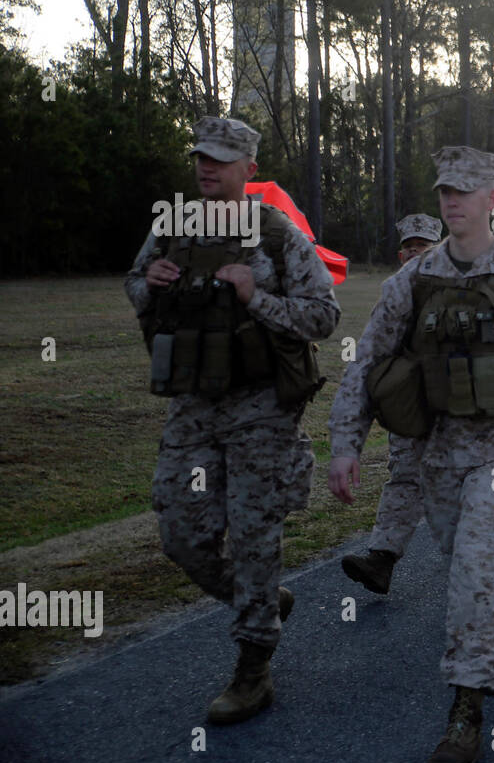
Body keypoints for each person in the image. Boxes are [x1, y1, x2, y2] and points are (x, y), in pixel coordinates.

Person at [327, 145, 494, 763]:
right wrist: (346, 444)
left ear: (491, 201)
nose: (452, 200)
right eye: (445, 189)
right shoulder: (414, 279)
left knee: (475, 558)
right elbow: (366, 364)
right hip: (436, 453)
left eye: (465, 191)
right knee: (462, 559)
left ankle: (465, 710)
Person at [125, 116, 340, 724]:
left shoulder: (276, 235)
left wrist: (256, 297)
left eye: (221, 158)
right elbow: (132, 285)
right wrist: (153, 283)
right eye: (201, 156)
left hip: (261, 410)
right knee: (180, 534)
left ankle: (253, 668)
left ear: (249, 168)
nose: (206, 167)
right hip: (193, 405)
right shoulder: (171, 227)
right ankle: (263, 600)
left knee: (252, 535)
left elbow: (323, 315)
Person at [340, 213, 443, 594]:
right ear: (402, 256)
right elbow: (371, 356)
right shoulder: (392, 292)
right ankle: (381, 559)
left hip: (459, 410)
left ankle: (485, 582)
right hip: (411, 406)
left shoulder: (459, 285)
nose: (416, 255)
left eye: (425, 249)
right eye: (411, 249)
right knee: (403, 477)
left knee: (467, 487)